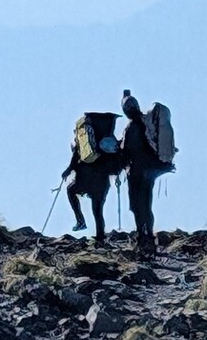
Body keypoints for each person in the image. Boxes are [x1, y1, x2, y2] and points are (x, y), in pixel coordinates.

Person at [121, 89, 164, 258]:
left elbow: (125, 152)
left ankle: (141, 236)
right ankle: (150, 235)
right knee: (147, 204)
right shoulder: (146, 125)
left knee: (136, 206)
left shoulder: (131, 128)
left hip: (136, 172)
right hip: (150, 171)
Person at [60, 139, 113, 246]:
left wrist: (65, 174)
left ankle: (80, 221)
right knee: (97, 210)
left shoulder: (79, 150)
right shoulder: (100, 149)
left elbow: (71, 167)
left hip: (85, 183)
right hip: (102, 184)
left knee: (70, 190)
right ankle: (100, 236)